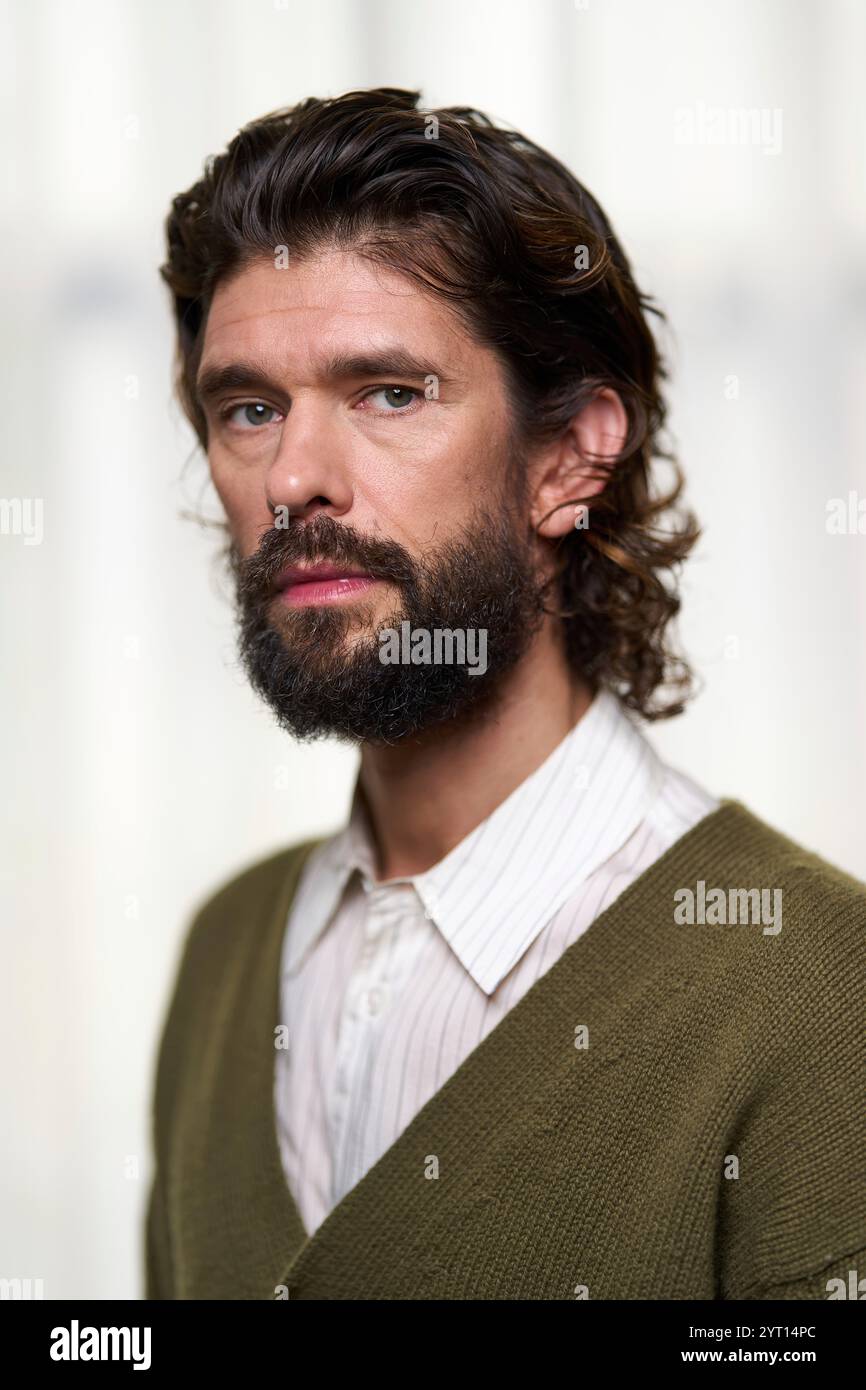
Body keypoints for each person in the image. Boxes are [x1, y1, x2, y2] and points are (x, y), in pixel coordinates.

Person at [146, 87, 865, 1300]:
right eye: (249, 408)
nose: (295, 478)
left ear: (567, 457)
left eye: (389, 392)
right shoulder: (225, 956)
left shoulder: (816, 990)